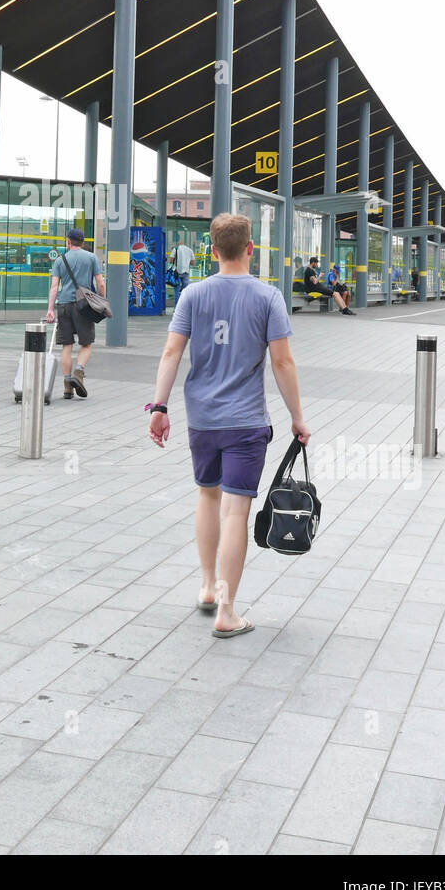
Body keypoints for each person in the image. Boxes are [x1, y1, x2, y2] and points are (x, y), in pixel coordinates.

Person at [147, 213, 310, 638]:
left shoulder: (192, 295)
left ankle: (205, 586)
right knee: (236, 510)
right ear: (250, 248)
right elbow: (282, 362)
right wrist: (297, 417)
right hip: (246, 421)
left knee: (206, 496)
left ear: (214, 251)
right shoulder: (268, 297)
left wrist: (159, 406)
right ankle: (227, 608)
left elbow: (170, 352)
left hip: (202, 419)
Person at [46, 227, 105, 400]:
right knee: (86, 344)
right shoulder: (91, 258)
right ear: (83, 243)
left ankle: (67, 387)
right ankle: (78, 373)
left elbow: (54, 287)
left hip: (64, 304)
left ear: (68, 241)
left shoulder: (60, 260)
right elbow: (100, 283)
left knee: (67, 345)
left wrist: (50, 309)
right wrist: (101, 301)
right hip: (83, 305)